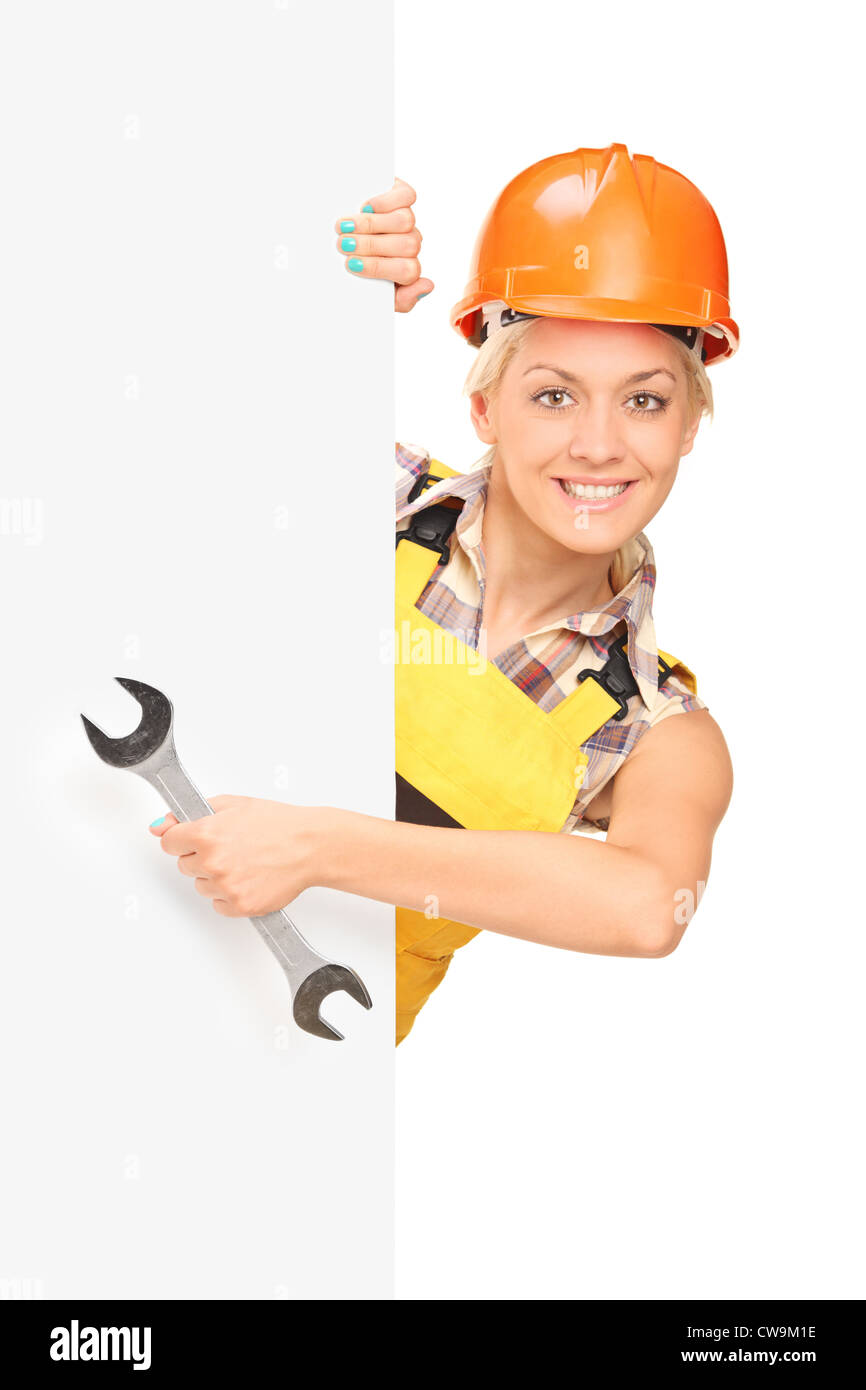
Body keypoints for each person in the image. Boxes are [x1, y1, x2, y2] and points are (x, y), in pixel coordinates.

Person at [149, 143, 735, 1048]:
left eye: (646, 402)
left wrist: (318, 847)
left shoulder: (653, 727)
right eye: (553, 395)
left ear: (691, 423)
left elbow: (650, 905)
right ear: (484, 405)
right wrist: (314, 268)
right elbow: (161, 381)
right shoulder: (366, 498)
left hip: (302, 1081)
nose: (598, 445)